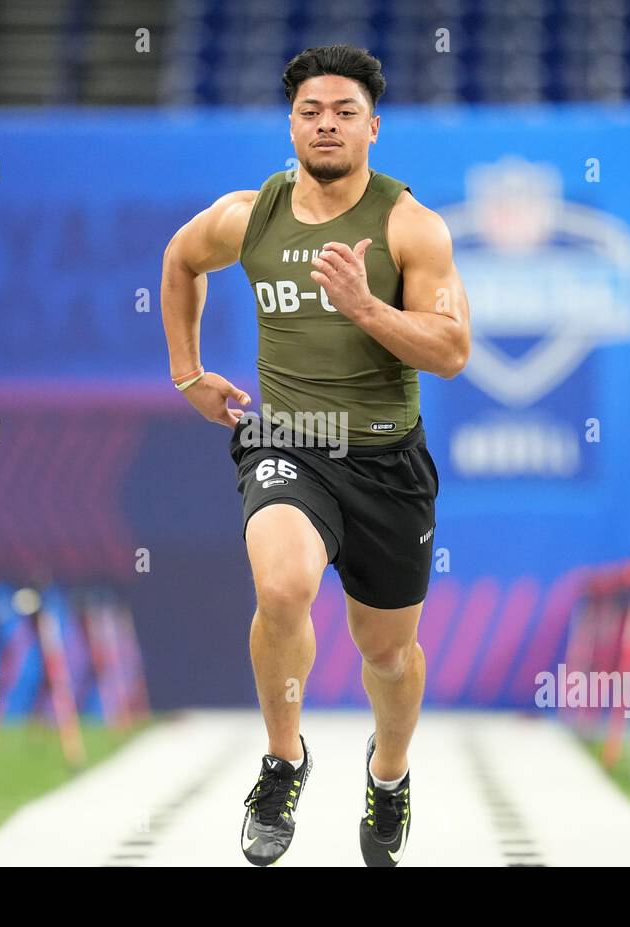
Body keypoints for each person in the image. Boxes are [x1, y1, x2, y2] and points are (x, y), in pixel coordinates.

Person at [159, 44, 470, 866]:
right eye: (310, 112)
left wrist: (367, 307)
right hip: (288, 442)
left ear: (372, 127)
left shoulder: (410, 225)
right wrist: (186, 371)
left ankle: (390, 774)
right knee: (282, 583)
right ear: (291, 124)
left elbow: (450, 350)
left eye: (342, 113)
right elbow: (182, 259)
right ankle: (282, 760)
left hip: (386, 460)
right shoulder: (250, 215)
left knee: (387, 653)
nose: (326, 125)